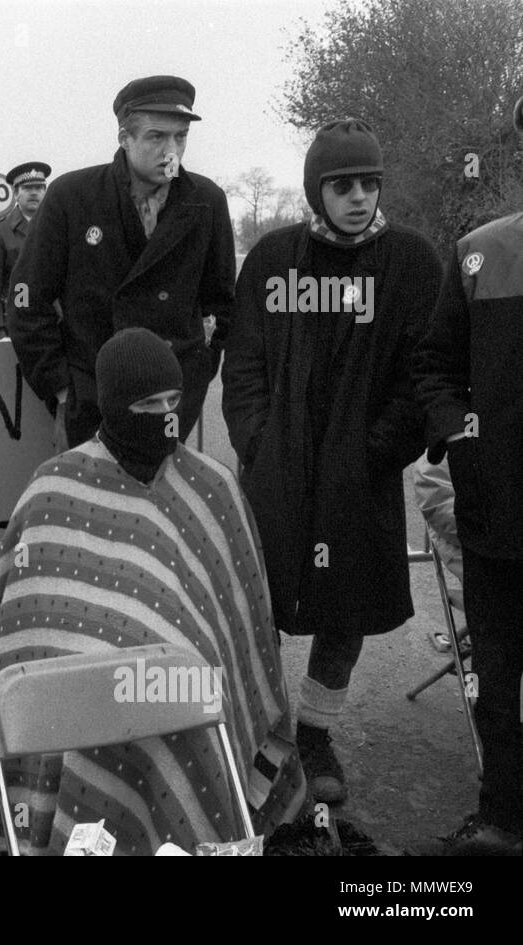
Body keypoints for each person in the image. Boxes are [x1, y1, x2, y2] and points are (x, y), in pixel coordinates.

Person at [0, 328, 305, 855]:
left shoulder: (213, 486)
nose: (165, 416)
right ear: (114, 406)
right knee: (70, 710)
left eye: (173, 400)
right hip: (67, 694)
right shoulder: (55, 486)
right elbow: (24, 626)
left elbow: (240, 626)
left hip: (179, 692)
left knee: (183, 713)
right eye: (147, 403)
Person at [221, 119, 442, 807]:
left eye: (369, 184)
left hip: (361, 476)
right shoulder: (274, 258)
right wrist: (259, 442)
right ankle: (259, 734)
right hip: (279, 474)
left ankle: (313, 736)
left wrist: (378, 451)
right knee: (261, 605)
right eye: (342, 185)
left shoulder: (411, 262)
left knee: (343, 612)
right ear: (318, 189)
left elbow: (422, 372)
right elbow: (245, 363)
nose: (358, 197)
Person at [409, 96, 522, 855]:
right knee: (502, 678)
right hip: (500, 518)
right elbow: (436, 367)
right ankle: (503, 815)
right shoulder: (480, 253)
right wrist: (466, 438)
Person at [7, 75, 234, 450]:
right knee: (91, 503)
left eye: (180, 137)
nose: (171, 151)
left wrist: (196, 376)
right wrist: (63, 389)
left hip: (172, 402)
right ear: (124, 138)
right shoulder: (72, 197)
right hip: (92, 400)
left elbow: (223, 303)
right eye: (156, 137)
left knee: (164, 501)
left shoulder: (206, 202)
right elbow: (25, 298)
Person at [0, 161, 50, 339]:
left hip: (53, 326)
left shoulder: (56, 227)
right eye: (27, 188)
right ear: (16, 193)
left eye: (39, 187)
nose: (34, 192)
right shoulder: (0, 233)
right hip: (15, 327)